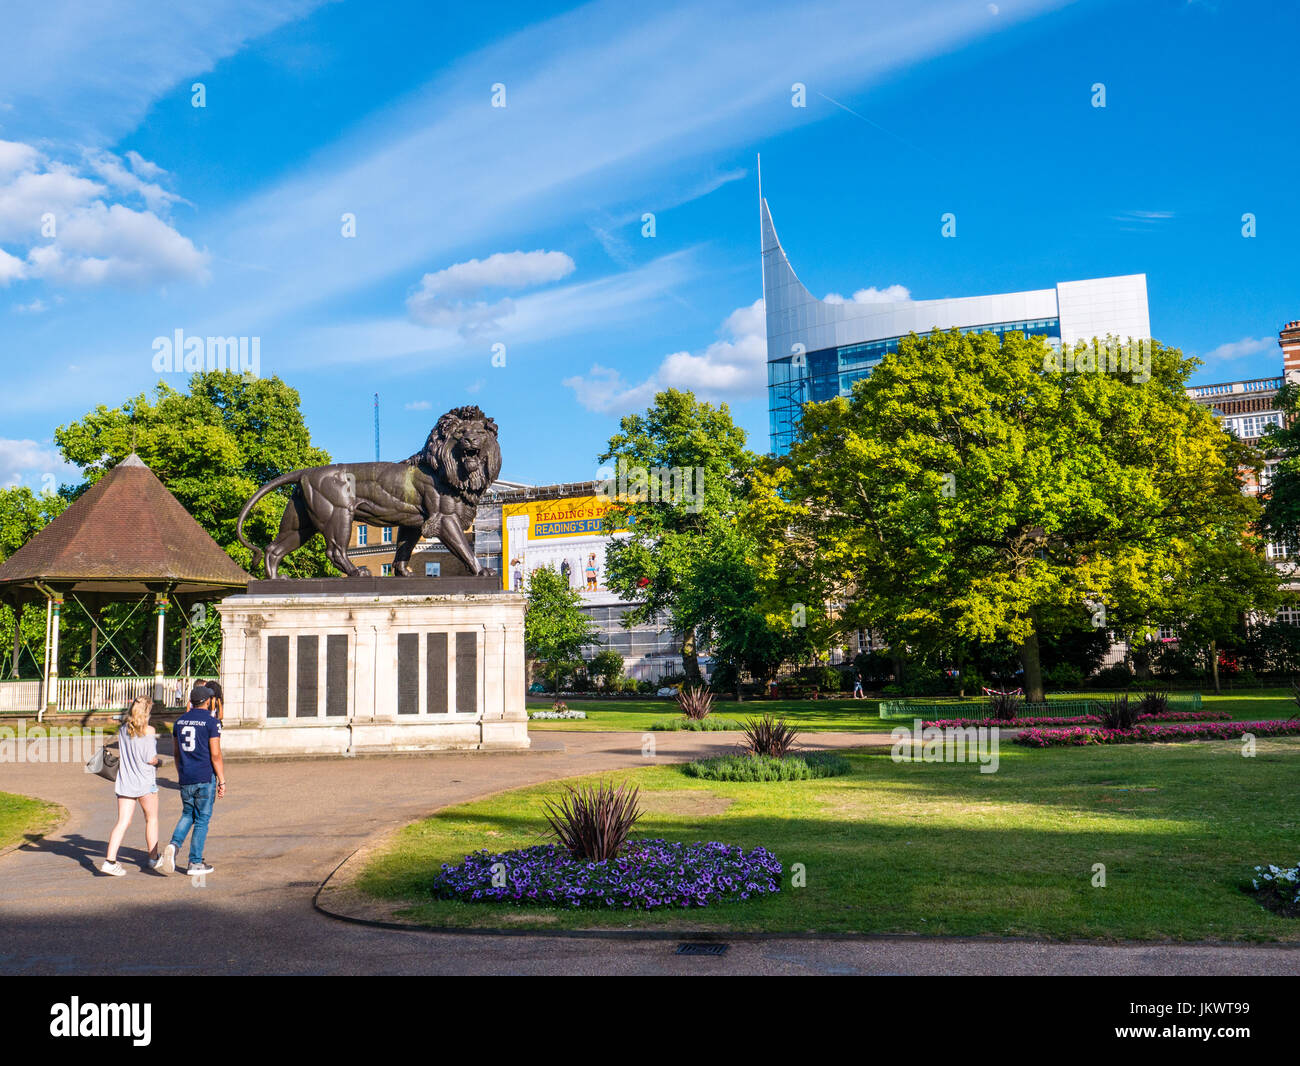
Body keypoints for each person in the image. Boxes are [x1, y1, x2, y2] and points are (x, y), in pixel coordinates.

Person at [156, 685, 226, 877]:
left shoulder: (179, 722)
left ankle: (174, 845)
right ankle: (195, 862)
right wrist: (222, 780)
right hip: (205, 776)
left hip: (186, 775)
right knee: (202, 819)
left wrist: (181, 772)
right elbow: (215, 754)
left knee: (188, 814)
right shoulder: (211, 723)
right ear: (206, 701)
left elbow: (177, 754)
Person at [99, 697, 165, 876]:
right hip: (144, 781)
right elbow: (150, 758)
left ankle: (110, 860)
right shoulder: (149, 731)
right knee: (151, 819)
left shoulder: (123, 730)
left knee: (122, 822)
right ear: (147, 712)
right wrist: (160, 762)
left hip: (126, 781)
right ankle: (153, 858)